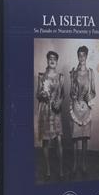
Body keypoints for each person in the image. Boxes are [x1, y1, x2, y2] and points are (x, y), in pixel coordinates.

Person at [36, 50, 65, 181]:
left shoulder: (60, 77)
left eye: (54, 58)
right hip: (45, 111)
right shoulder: (41, 76)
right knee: (46, 141)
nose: (52, 60)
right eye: (50, 58)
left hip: (56, 111)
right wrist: (42, 95)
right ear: (47, 60)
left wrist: (59, 102)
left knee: (59, 140)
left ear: (57, 61)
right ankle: (47, 169)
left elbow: (63, 94)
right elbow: (37, 94)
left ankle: (61, 169)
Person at [69, 45, 96, 177]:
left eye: (83, 55)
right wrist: (74, 95)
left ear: (86, 56)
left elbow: (94, 92)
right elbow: (70, 93)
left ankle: (83, 164)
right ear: (77, 56)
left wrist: (88, 97)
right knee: (75, 138)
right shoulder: (73, 73)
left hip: (86, 109)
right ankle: (74, 164)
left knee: (84, 138)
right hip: (75, 106)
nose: (81, 57)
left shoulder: (91, 72)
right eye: (79, 55)